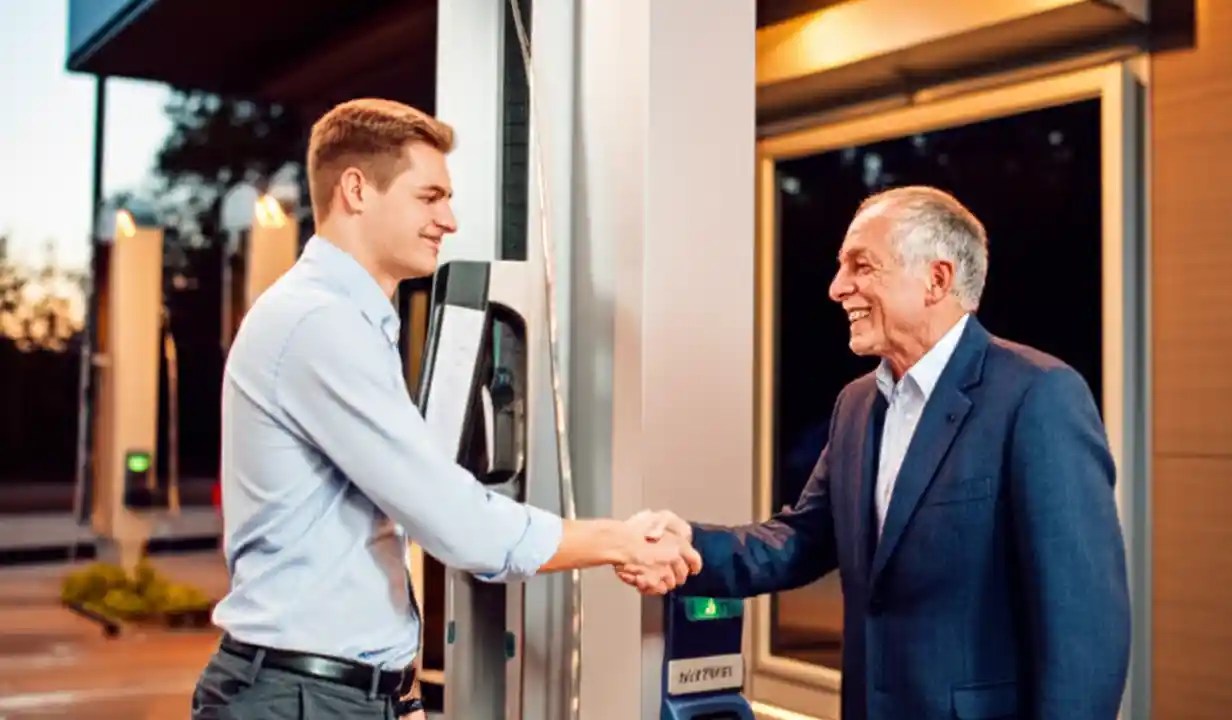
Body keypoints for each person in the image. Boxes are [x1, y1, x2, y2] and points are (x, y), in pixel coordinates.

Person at [192, 98, 700, 719]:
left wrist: (393, 693)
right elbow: (457, 523)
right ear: (356, 190)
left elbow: (363, 538)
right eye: (429, 197)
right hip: (301, 700)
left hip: (330, 694)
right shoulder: (318, 323)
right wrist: (619, 540)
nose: (449, 220)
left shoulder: (344, 319)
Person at [626, 186, 1131, 719]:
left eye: (861, 266)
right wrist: (685, 545)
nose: (837, 287)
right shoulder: (857, 404)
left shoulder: (1038, 396)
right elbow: (800, 541)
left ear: (936, 279)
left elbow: (1085, 633)